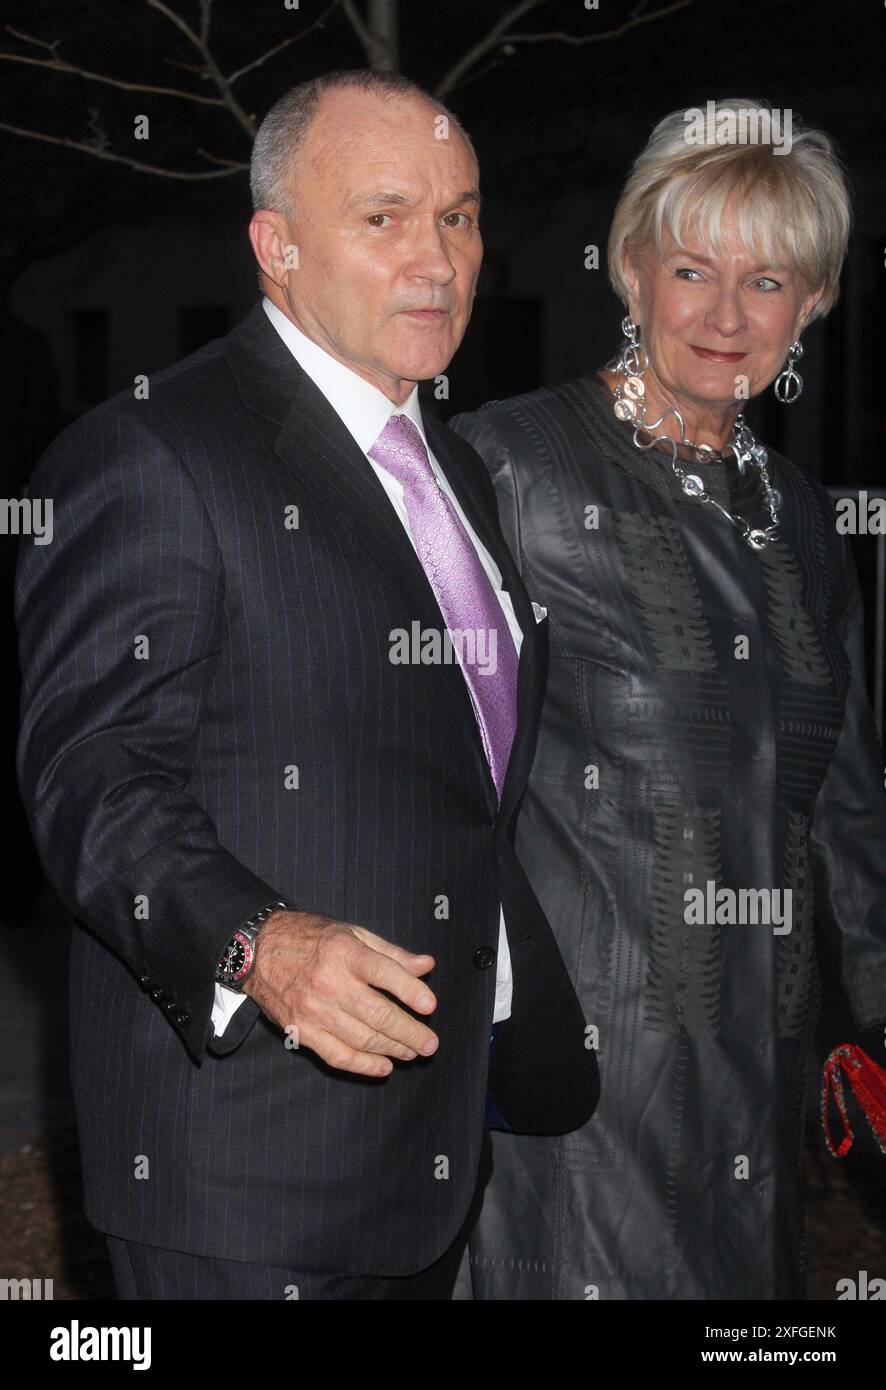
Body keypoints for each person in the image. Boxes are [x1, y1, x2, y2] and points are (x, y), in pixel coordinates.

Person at [14, 69, 598, 1302]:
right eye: (384, 217)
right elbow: (90, 772)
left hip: (430, 1150)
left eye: (459, 215)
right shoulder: (151, 451)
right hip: (242, 1172)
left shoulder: (457, 472)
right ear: (275, 246)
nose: (436, 258)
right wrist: (257, 941)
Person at [450, 98, 886, 1300]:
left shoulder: (803, 519)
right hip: (576, 1091)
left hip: (759, 1083)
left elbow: (847, 808)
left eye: (768, 280)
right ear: (630, 268)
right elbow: (400, 758)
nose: (725, 316)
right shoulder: (508, 468)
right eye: (692, 269)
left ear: (813, 303)